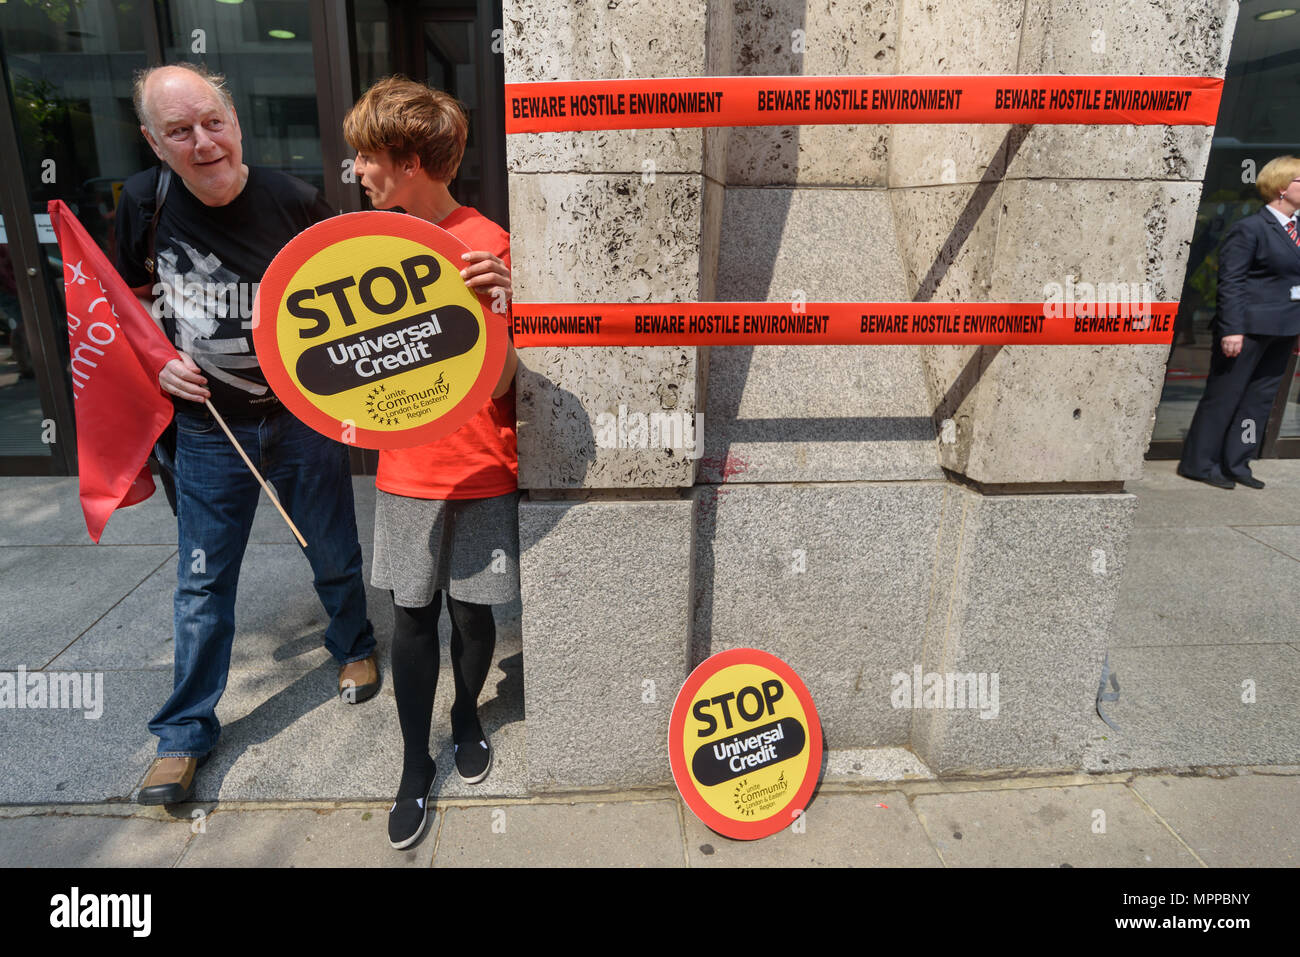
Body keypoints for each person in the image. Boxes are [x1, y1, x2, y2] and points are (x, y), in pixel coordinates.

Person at [115, 63, 379, 806]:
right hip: (206, 431)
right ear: (153, 141)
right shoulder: (145, 200)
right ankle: (182, 733)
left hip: (297, 418)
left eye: (213, 122)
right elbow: (125, 303)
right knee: (202, 581)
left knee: (329, 543)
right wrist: (158, 360)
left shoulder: (295, 199)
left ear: (236, 121)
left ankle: (355, 646)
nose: (203, 143)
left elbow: (350, 291)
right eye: (179, 131)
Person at [342, 75, 519, 850]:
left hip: (481, 462)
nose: (357, 169)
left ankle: (468, 714)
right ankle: (415, 764)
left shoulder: (493, 244)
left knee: (474, 613)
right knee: (411, 617)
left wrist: (502, 310)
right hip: (407, 468)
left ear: (411, 159)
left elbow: (510, 381)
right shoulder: (359, 250)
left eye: (368, 156)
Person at [1179, 155, 1300, 490]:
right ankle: (1200, 462)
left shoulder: (1296, 230)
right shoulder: (1250, 229)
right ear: (1280, 188)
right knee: (1225, 395)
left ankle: (1237, 460)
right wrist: (1232, 329)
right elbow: (1231, 282)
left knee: (1258, 399)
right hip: (1247, 328)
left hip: (1284, 328)